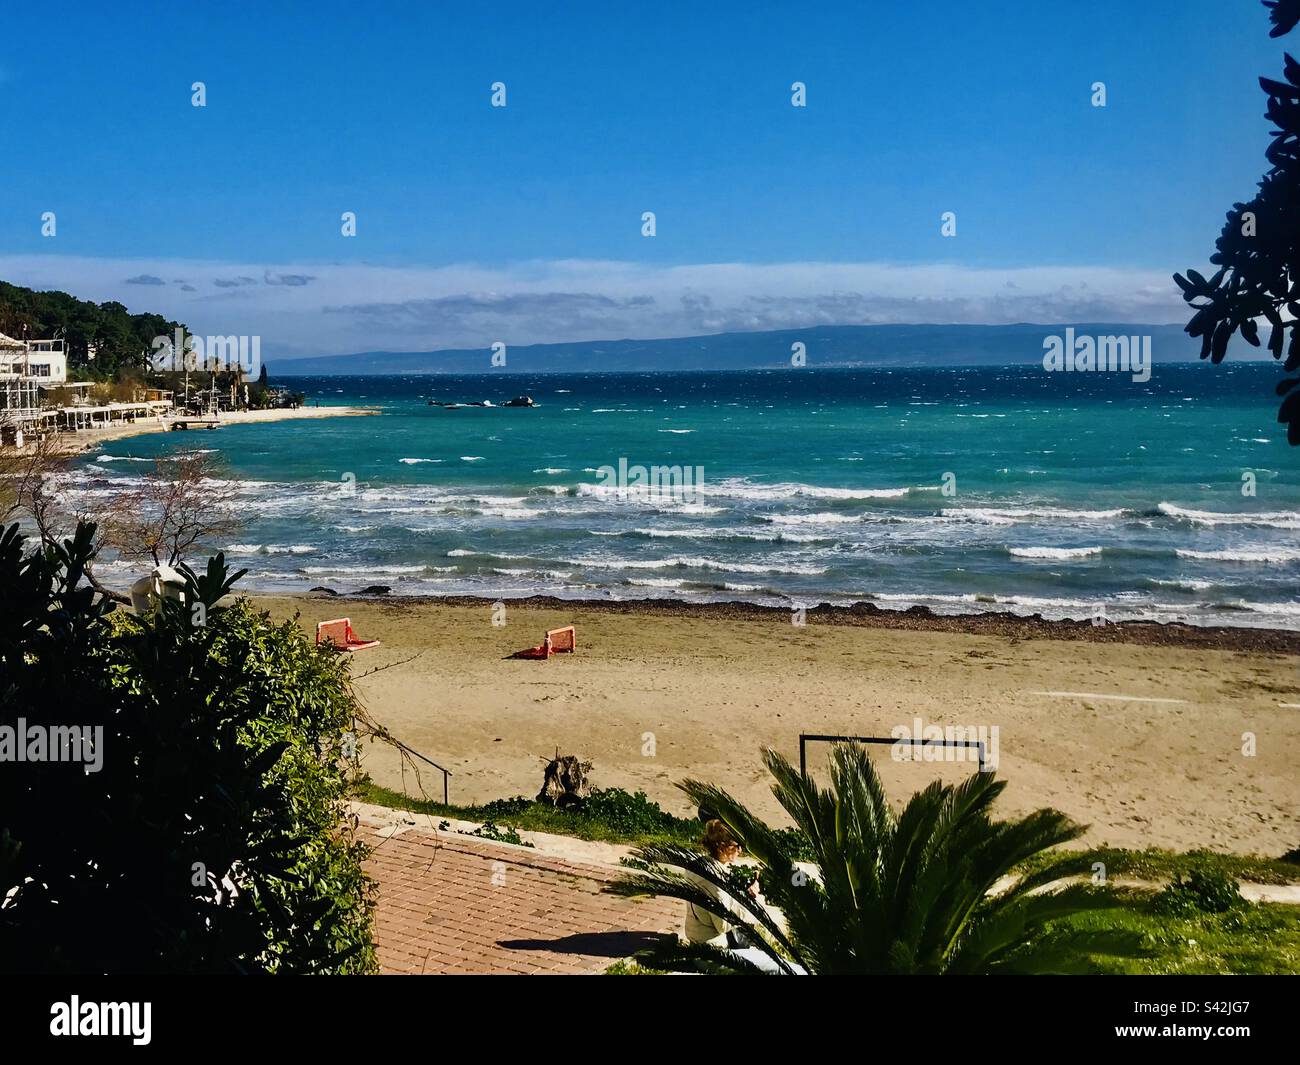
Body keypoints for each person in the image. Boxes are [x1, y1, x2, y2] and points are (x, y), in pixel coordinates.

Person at [682, 820, 802, 974]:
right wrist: (752, 901)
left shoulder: (700, 866)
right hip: (715, 956)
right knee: (789, 970)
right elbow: (723, 924)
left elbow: (719, 904)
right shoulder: (714, 880)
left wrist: (745, 895)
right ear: (721, 846)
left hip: (701, 948)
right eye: (736, 845)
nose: (740, 850)